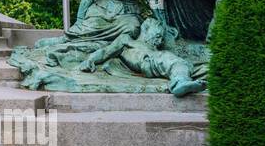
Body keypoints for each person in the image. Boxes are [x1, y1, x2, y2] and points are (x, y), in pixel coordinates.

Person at [79, 18, 208, 96]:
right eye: (157, 36)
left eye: (162, 39)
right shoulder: (127, 40)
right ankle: (179, 84)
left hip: (159, 62)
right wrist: (90, 60)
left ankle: (186, 79)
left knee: (194, 66)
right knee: (172, 61)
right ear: (146, 29)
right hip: (149, 61)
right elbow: (105, 52)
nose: (159, 41)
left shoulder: (156, 48)